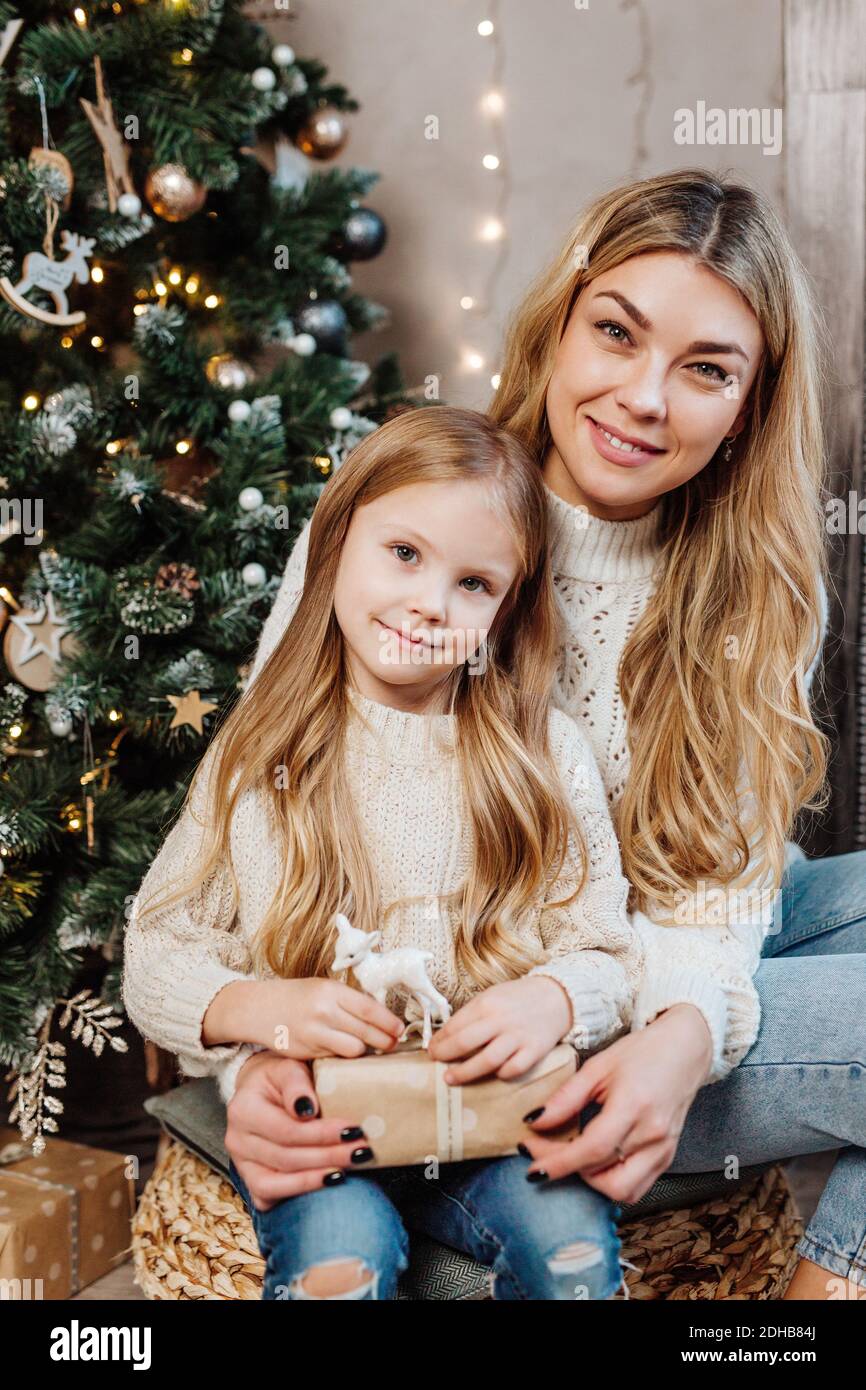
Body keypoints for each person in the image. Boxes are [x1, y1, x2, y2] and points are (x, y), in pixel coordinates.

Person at [239, 168, 866, 1301]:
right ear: (557, 322)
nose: (641, 398)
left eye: (705, 370)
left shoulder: (750, 585)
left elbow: (712, 903)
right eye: (615, 334)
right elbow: (261, 818)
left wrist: (680, 1033)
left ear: (749, 406)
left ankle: (825, 1290)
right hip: (492, 1027)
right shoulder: (418, 514)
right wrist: (260, 1051)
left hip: (655, 999)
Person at [122, 405, 647, 1300]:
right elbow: (156, 949)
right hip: (330, 1129)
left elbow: (609, 950)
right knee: (339, 1258)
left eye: (474, 583)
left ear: (508, 606)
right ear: (335, 546)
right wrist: (262, 1009)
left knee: (571, 1245)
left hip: (490, 1127)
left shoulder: (542, 754)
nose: (428, 604)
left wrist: (555, 997)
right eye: (403, 554)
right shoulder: (262, 750)